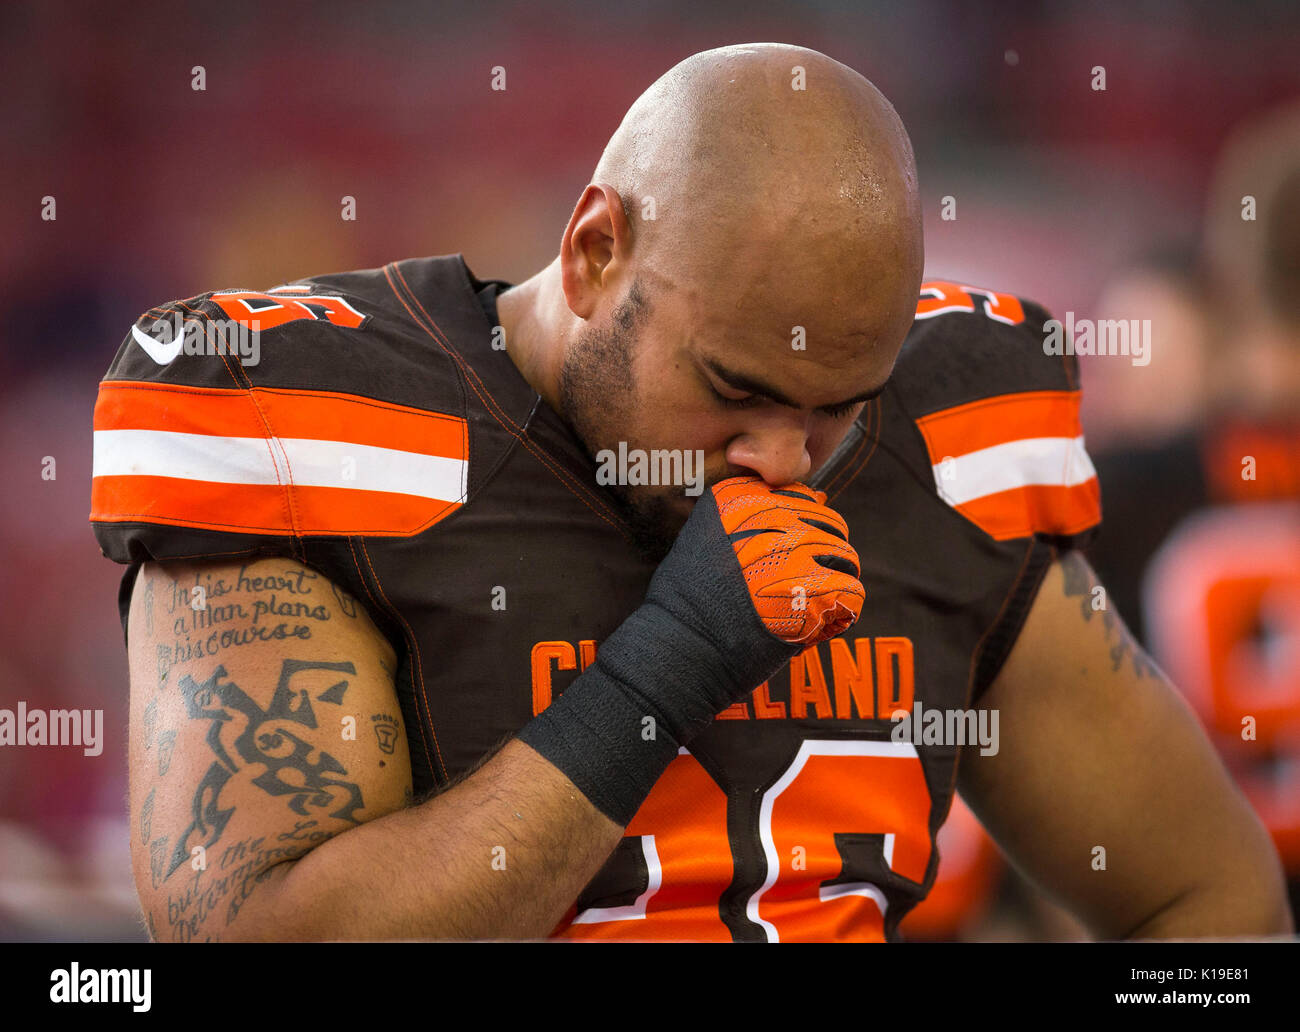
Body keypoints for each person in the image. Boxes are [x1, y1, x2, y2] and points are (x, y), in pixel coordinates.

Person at [91, 43, 1289, 942]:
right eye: (735, 389)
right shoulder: (299, 419)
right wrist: (664, 669)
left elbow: (1212, 904)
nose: (783, 462)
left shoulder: (949, 438)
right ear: (593, 253)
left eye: (837, 408)